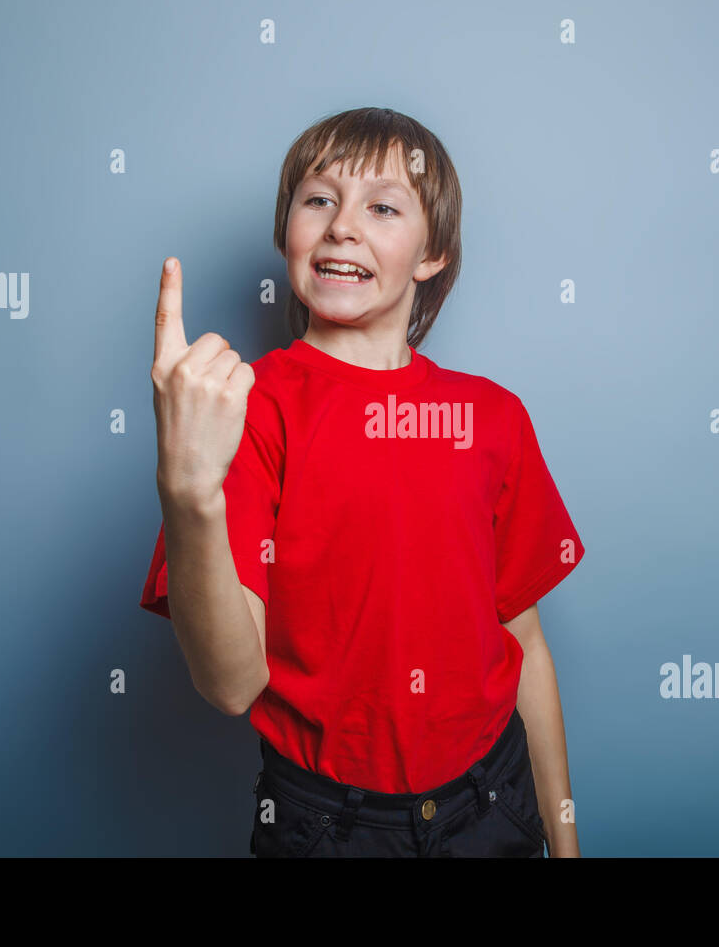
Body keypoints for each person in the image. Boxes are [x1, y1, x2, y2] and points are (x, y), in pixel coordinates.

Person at [140, 107, 586, 857]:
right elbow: (230, 685)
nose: (343, 226)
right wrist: (189, 492)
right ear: (288, 232)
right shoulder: (251, 412)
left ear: (433, 252)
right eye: (319, 199)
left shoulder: (494, 416)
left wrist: (566, 845)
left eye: (382, 206)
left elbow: (526, 646)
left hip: (493, 802)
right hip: (328, 827)